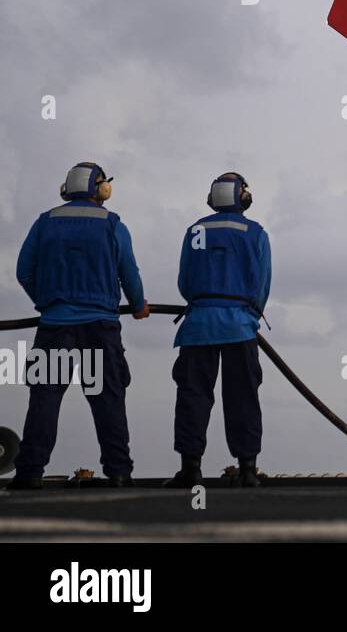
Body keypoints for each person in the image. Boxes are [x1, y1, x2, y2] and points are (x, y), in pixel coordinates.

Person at [9, 163, 149, 490]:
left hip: (54, 327)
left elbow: (24, 272)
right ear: (101, 189)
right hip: (100, 327)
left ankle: (29, 474)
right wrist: (139, 305)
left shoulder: (45, 222)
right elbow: (129, 272)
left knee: (44, 400)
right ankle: (118, 473)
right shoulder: (112, 224)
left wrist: (48, 301)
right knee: (108, 400)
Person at [166, 173, 271, 489]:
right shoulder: (255, 233)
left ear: (213, 199)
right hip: (240, 327)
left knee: (193, 397)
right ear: (243, 198)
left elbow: (185, 281)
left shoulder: (196, 231)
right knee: (243, 397)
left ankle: (190, 469)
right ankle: (248, 470)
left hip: (198, 326)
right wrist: (248, 314)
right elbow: (261, 284)